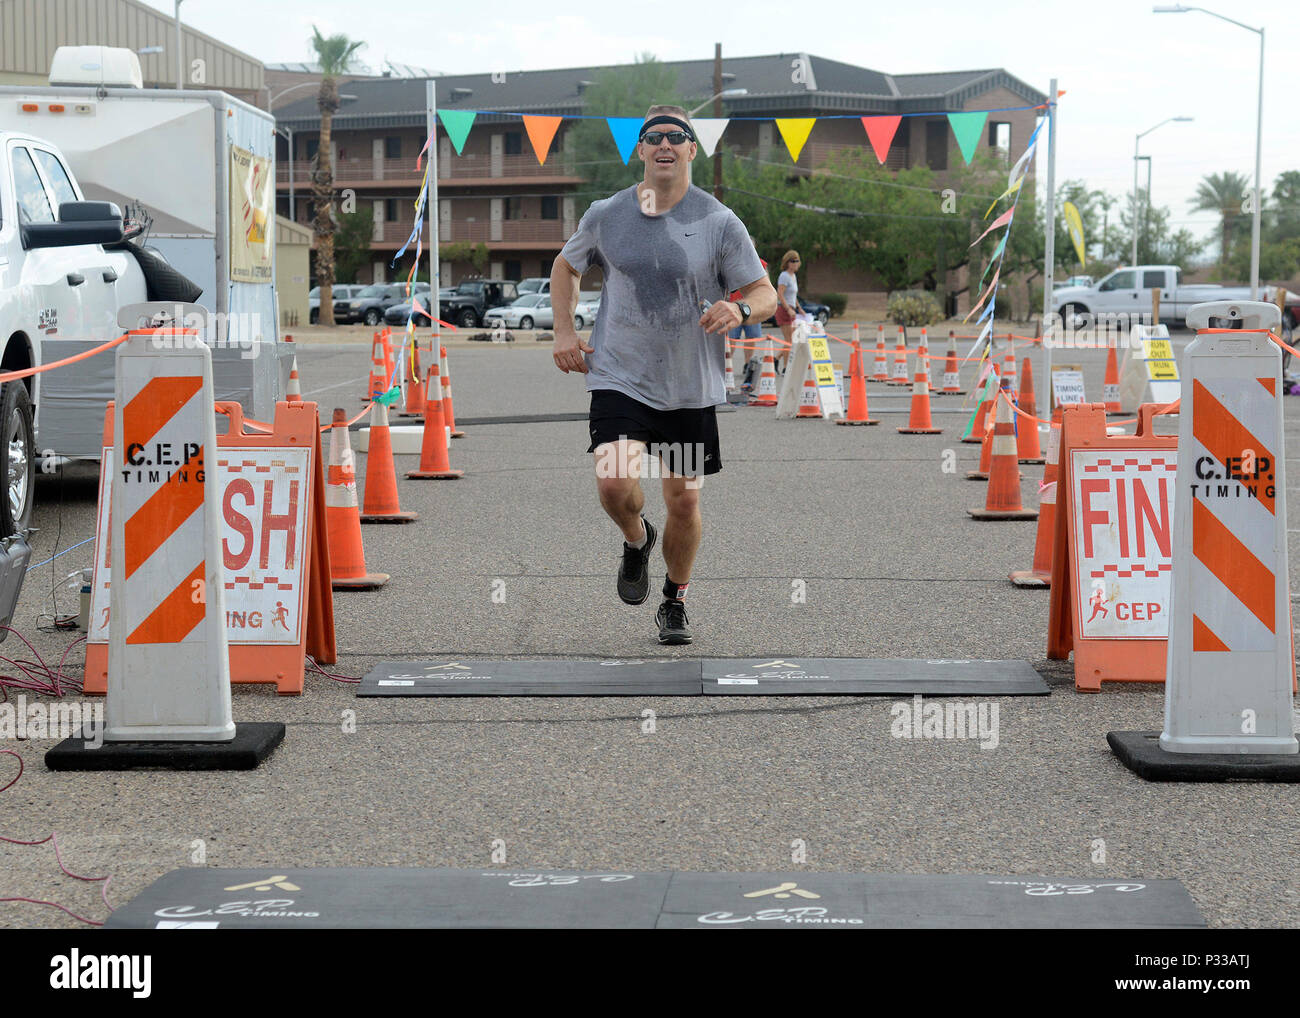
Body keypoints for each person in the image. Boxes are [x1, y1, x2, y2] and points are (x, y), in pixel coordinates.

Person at [550, 104, 777, 645]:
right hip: (618, 376)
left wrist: (739, 310)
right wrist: (563, 331)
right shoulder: (607, 213)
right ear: (641, 150)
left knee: (684, 501)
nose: (665, 144)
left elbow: (764, 293)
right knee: (613, 484)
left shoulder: (719, 221)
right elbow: (566, 265)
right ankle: (636, 539)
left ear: (693, 149)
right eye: (654, 137)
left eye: (677, 136)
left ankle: (674, 599)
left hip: (686, 390)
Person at [729, 235, 767, 389]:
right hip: (734, 306)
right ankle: (727, 365)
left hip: (751, 307)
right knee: (731, 339)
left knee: (751, 339)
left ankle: (747, 365)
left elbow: (766, 287)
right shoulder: (731, 262)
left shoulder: (761, 264)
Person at [773, 250, 802, 373]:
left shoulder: (793, 276)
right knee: (788, 340)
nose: (795, 263)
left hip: (792, 309)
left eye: (797, 260)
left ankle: (776, 359)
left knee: (792, 340)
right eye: (793, 261)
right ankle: (786, 368)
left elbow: (793, 296)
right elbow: (780, 294)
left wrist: (799, 308)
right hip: (784, 310)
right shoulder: (784, 276)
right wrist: (788, 309)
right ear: (787, 262)